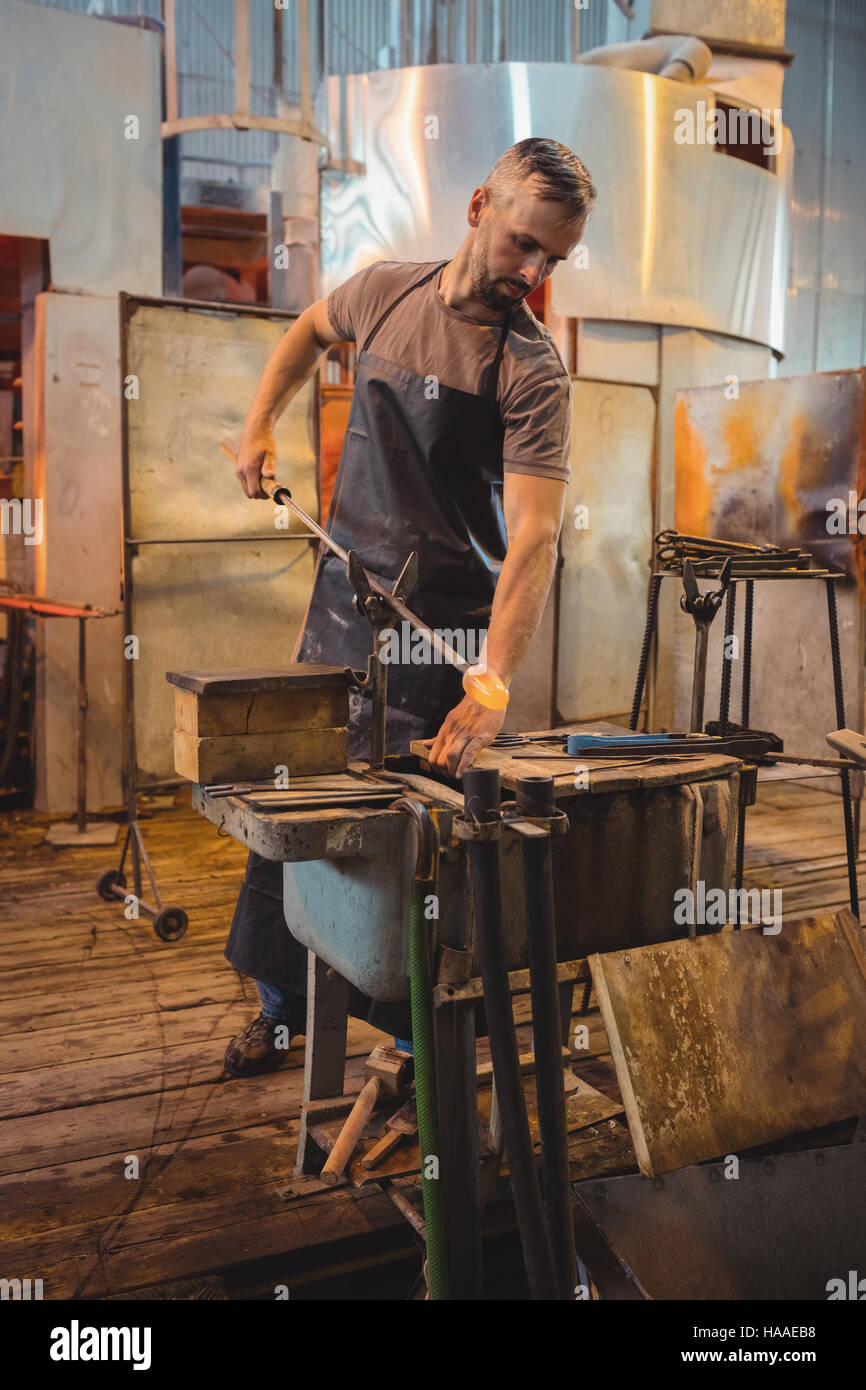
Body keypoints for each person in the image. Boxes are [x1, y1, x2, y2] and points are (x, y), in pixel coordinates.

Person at [223, 137, 595, 1077]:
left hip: (446, 637)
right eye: (522, 244)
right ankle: (280, 1008)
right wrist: (259, 422)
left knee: (410, 844)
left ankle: (408, 1051)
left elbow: (537, 539)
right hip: (344, 604)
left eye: (554, 257)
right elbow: (308, 331)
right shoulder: (383, 291)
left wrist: (496, 682)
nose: (534, 271)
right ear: (477, 208)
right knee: (296, 807)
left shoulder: (531, 371)